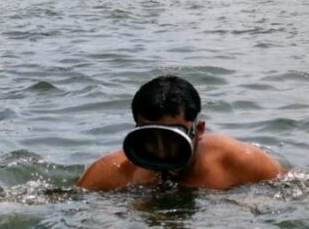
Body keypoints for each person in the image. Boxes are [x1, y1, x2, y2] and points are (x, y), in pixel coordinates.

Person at [76, 75, 284, 191]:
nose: (161, 152)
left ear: (199, 130)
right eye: (149, 138)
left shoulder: (245, 163)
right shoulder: (110, 172)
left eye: (172, 138)